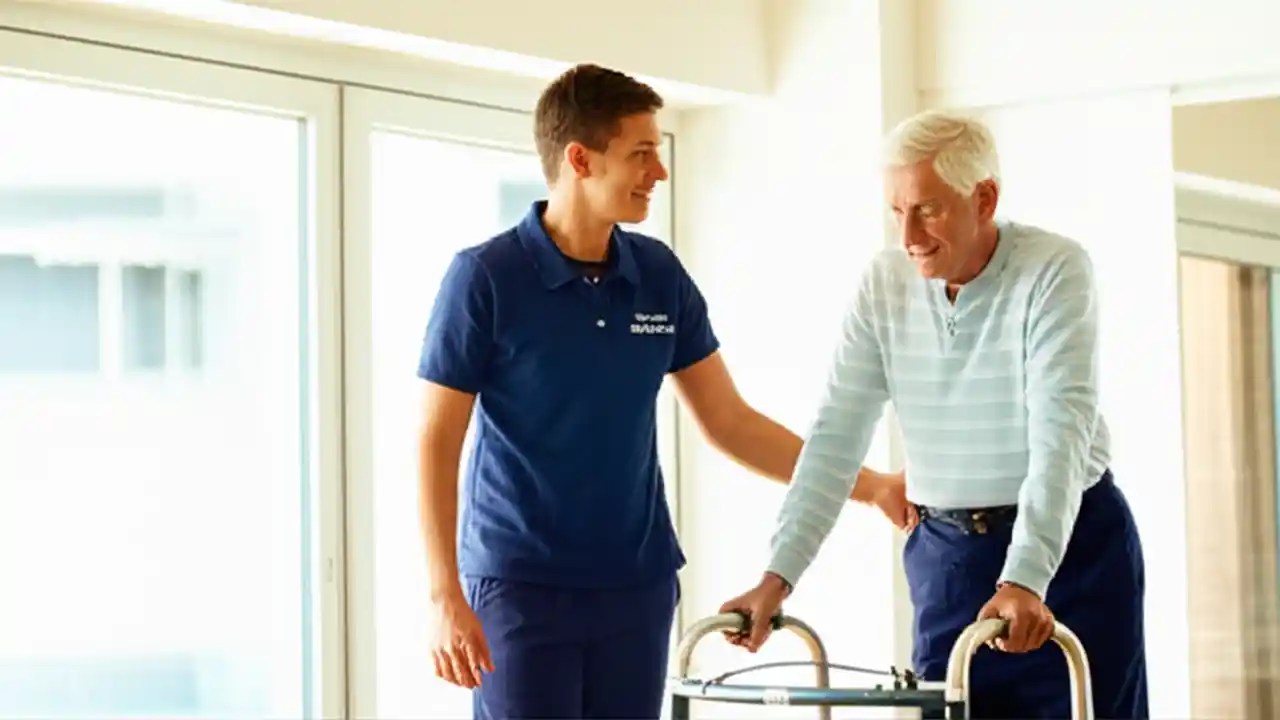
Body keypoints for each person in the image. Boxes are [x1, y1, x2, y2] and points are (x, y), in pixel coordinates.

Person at [414, 63, 911, 720]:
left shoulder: (657, 275)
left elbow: (730, 421)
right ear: (580, 159)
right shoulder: (486, 277)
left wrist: (869, 485)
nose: (659, 171)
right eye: (641, 153)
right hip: (521, 587)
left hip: (636, 588)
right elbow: (436, 440)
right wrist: (444, 593)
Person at [719, 110, 1148, 719]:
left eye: (927, 209)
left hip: (1074, 552)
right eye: (897, 211)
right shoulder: (884, 283)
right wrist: (777, 577)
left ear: (984, 198)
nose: (909, 235)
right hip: (948, 559)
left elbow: (1061, 435)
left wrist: (1025, 577)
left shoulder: (1054, 269)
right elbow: (836, 435)